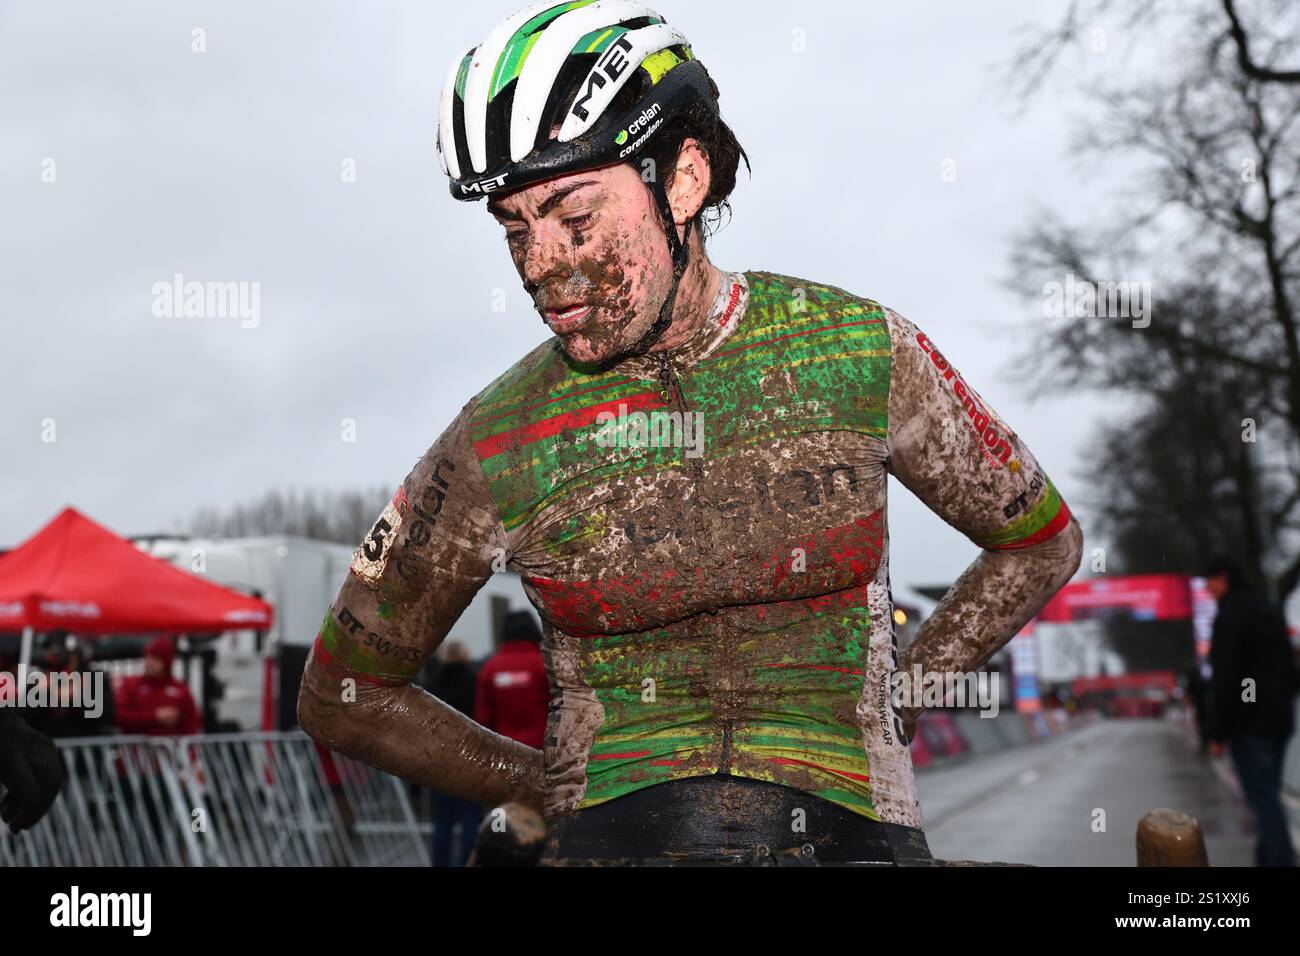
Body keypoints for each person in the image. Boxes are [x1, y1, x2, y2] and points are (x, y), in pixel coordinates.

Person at [299, 2, 1083, 865]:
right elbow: (342, 693)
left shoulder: (858, 351)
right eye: (513, 228)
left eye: (575, 217)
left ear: (684, 179)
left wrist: (902, 697)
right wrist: (546, 784)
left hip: (853, 829)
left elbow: (1040, 542)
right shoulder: (499, 438)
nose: (538, 265)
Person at [1202, 554, 1299, 867]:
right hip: (1278, 718)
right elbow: (1288, 666)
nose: (1207, 589)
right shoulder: (1269, 610)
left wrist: (1217, 732)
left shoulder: (1230, 617)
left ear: (1223, 579)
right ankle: (1267, 857)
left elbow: (1227, 679)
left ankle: (1281, 860)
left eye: (1210, 581)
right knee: (1267, 793)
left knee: (1263, 799)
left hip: (1248, 722)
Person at [425, 640, 484, 866]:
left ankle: (440, 863)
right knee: (469, 818)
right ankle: (467, 861)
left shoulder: (433, 685)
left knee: (442, 820)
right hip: (470, 758)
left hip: (439, 760)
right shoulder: (474, 682)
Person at [475, 611, 548, 751]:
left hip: (504, 748)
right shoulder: (543, 664)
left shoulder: (490, 668)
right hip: (543, 748)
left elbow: (483, 716)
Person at [116, 637, 201, 737]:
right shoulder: (131, 684)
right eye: (147, 657)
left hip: (170, 750)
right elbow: (119, 717)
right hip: (136, 750)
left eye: (154, 659)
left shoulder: (180, 689)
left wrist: (190, 751)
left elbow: (191, 724)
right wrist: (154, 717)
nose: (149, 663)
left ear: (166, 662)